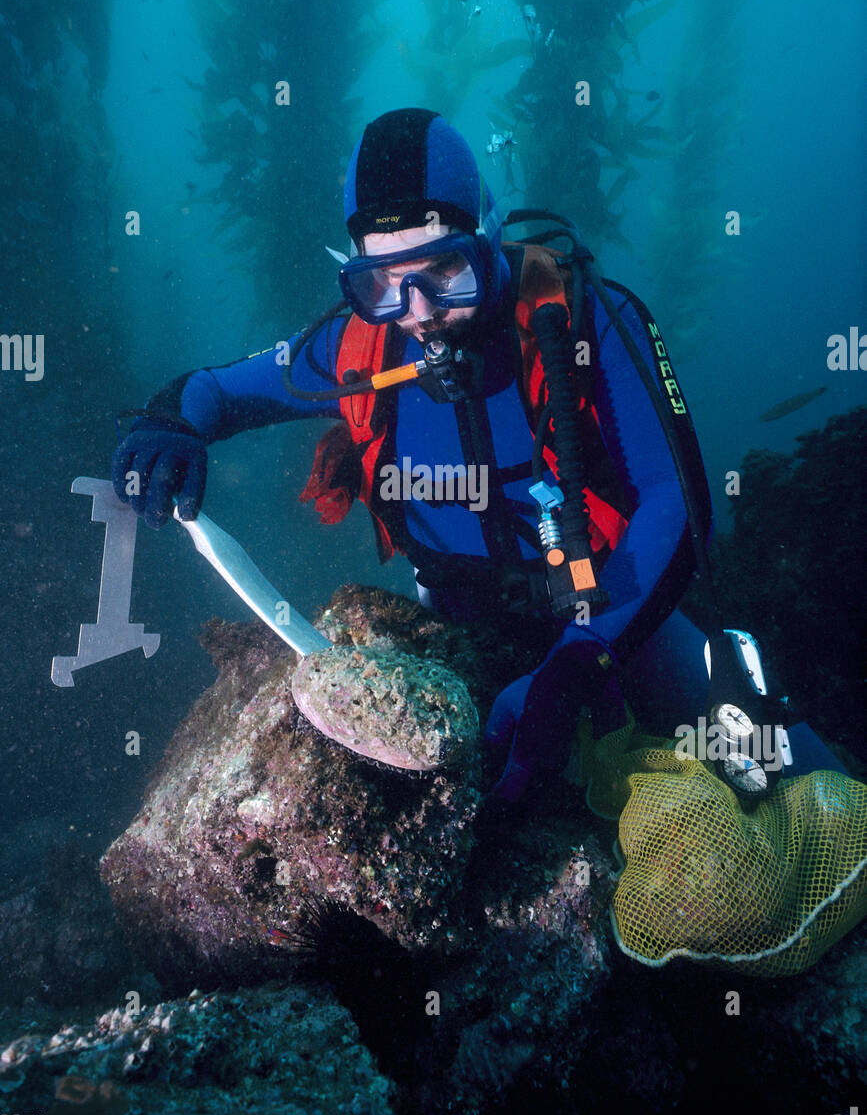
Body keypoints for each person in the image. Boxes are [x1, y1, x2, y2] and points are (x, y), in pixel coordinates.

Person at [112, 107, 844, 803]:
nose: (418, 311)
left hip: (610, 618)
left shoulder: (585, 322)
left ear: (487, 237)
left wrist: (578, 662)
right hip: (447, 633)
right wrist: (167, 425)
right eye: (381, 285)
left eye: (444, 272)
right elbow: (211, 391)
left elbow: (675, 502)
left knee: (816, 795)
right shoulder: (358, 349)